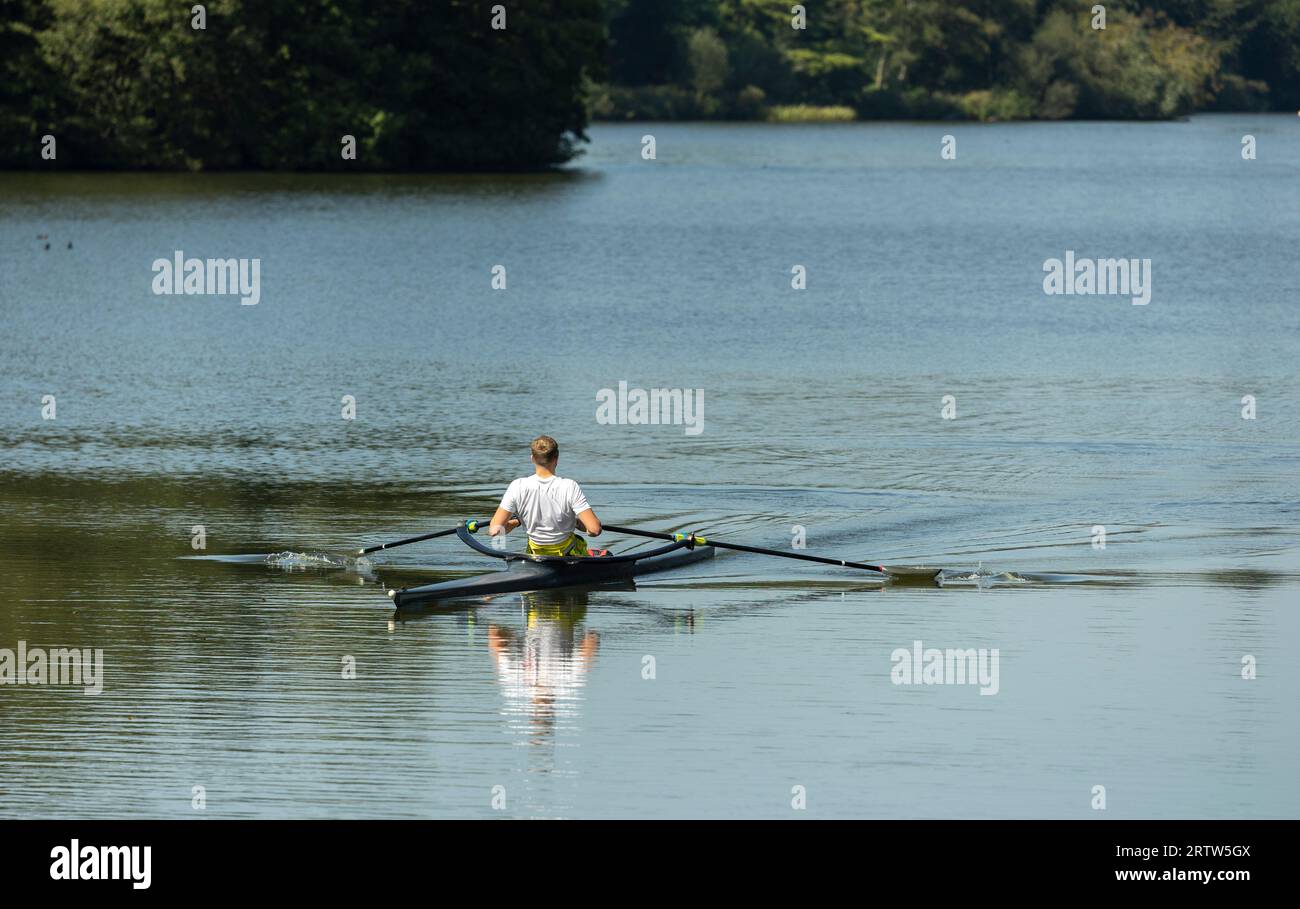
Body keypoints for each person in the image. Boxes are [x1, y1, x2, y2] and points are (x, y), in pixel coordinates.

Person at [489, 436, 604, 557]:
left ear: (532, 458)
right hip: (568, 556)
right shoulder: (569, 486)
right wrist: (575, 523)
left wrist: (516, 522)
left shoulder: (517, 486)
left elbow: (495, 531)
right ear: (556, 458)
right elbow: (595, 530)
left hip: (535, 555)